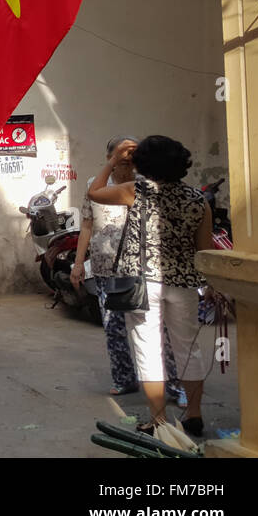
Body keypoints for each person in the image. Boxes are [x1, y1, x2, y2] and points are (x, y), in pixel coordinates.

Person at [88, 135, 214, 436]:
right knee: (189, 349)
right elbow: (203, 250)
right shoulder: (198, 201)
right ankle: (193, 415)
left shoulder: (135, 191)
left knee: (149, 350)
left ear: (141, 164)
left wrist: (112, 160)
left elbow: (94, 193)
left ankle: (157, 421)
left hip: (143, 284)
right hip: (184, 285)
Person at [71, 137, 186, 402]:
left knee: (159, 328)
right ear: (109, 157)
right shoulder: (95, 185)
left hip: (144, 268)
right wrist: (79, 263)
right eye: (120, 155)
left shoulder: (145, 184)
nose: (126, 160)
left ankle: (174, 384)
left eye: (132, 156)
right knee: (114, 327)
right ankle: (124, 379)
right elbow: (87, 224)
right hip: (106, 266)